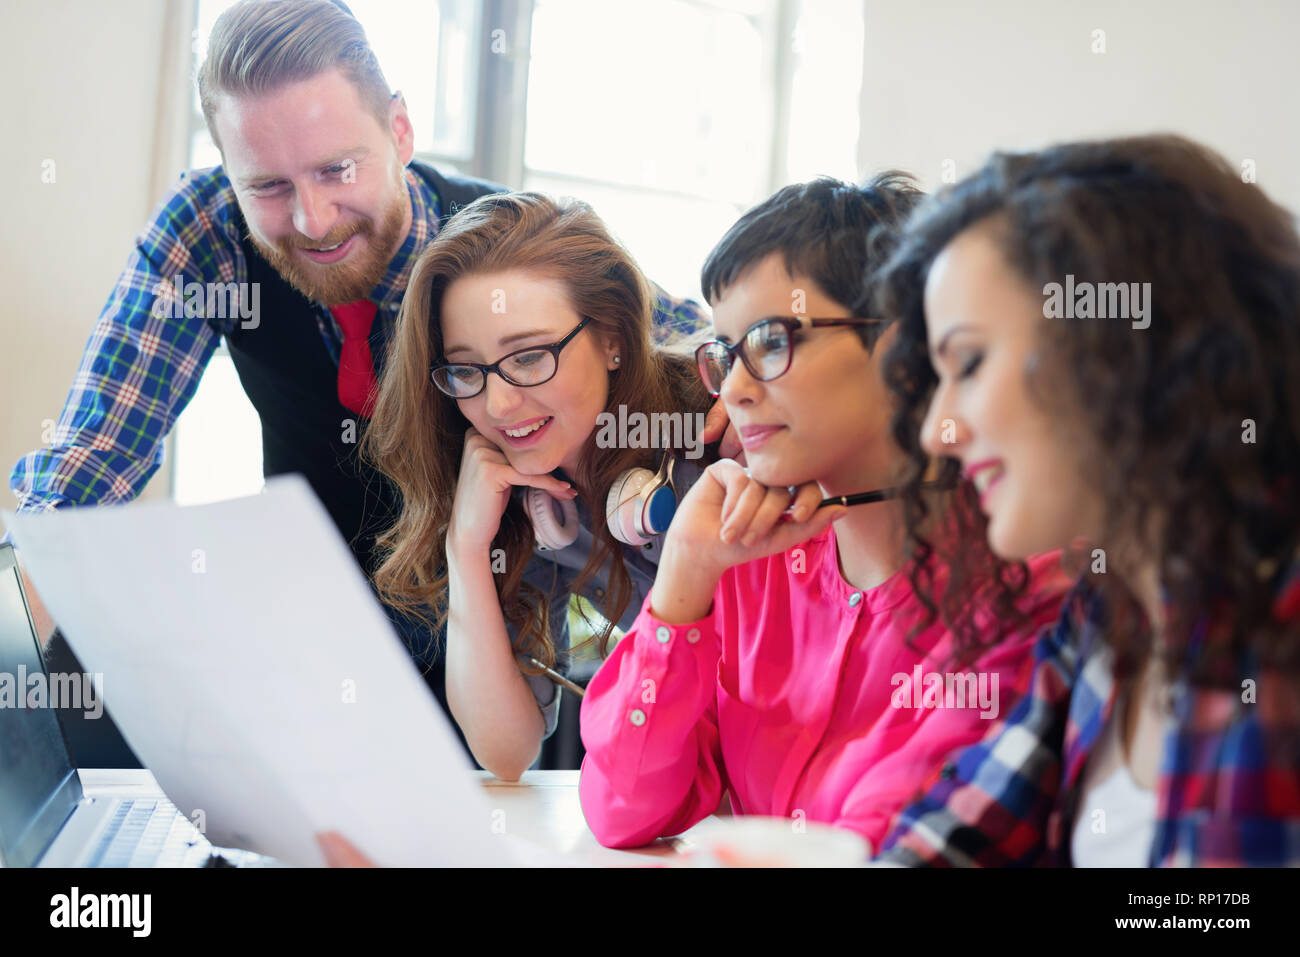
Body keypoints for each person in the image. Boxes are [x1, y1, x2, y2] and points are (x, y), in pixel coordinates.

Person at [6, 0, 717, 728]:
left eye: (336, 168)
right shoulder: (211, 235)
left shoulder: (493, 257)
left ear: (400, 130)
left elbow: (698, 354)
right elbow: (81, 479)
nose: (313, 219)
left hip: (490, 647)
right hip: (310, 653)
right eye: (269, 187)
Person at [576, 176, 1071, 853]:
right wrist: (683, 579)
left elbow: (888, 842)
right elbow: (621, 809)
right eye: (723, 354)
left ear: (903, 349)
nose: (738, 390)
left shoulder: (1022, 582)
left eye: (771, 341)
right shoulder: (749, 555)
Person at [873, 134, 1300, 866]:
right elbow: (949, 842)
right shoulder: (1104, 619)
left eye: (969, 362)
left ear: (1122, 344)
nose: (938, 432)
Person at [362, 192, 719, 779]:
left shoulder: (717, 433)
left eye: (528, 357)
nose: (498, 404)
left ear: (614, 339)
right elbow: (505, 752)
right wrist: (468, 549)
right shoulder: (533, 503)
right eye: (466, 370)